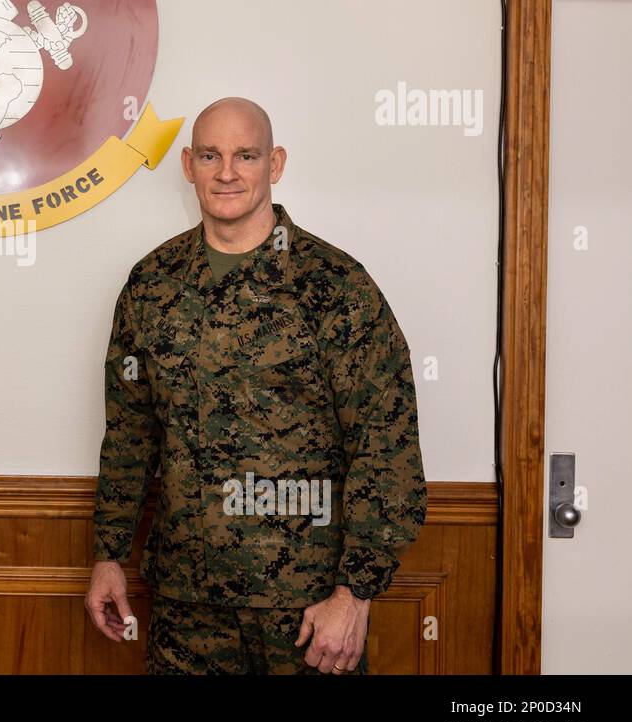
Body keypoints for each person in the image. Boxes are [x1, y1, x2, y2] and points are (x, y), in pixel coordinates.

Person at [85, 96, 426, 674]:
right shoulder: (152, 285)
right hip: (187, 607)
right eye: (211, 155)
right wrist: (110, 554)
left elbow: (385, 444)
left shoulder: (335, 286)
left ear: (276, 163)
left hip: (305, 606)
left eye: (246, 155)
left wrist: (354, 594)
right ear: (188, 165)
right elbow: (130, 434)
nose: (227, 172)